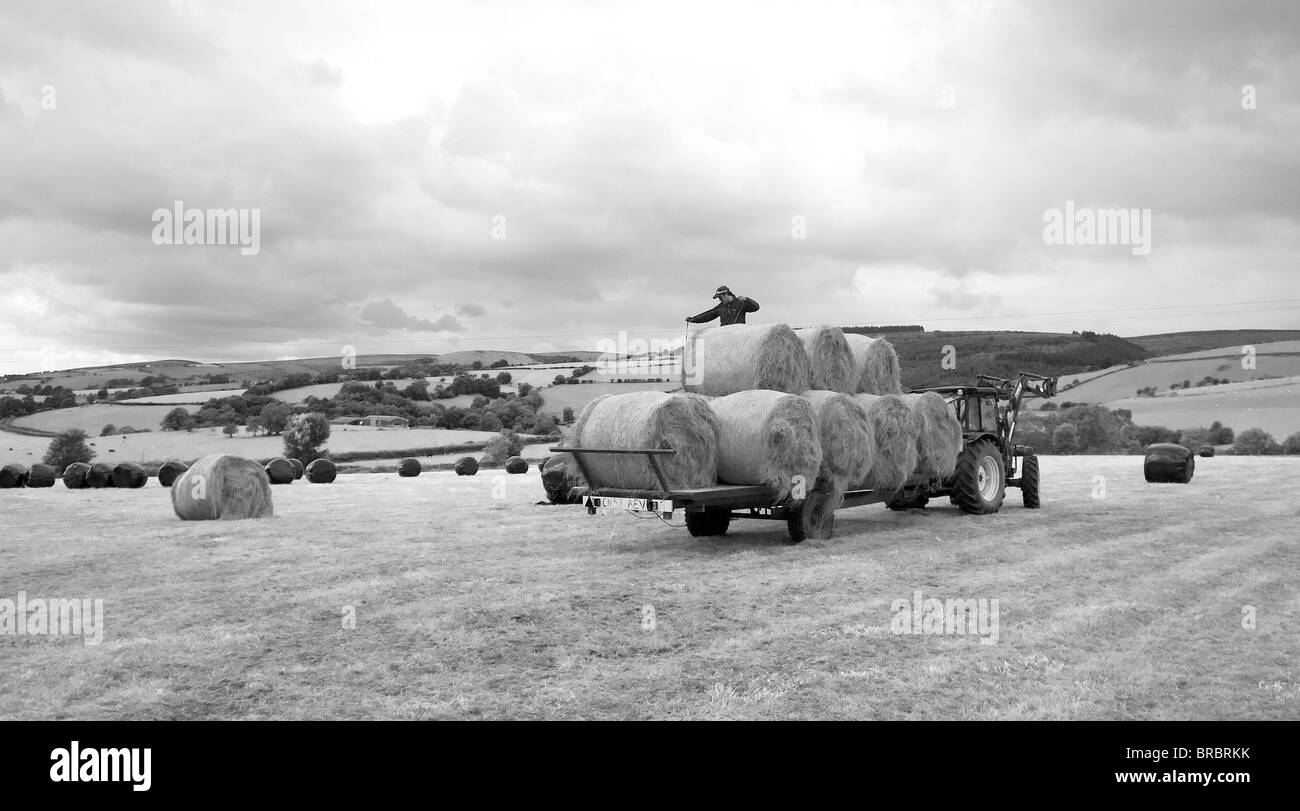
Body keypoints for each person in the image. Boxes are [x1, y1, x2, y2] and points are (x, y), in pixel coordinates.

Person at [686, 285, 759, 326]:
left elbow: (756, 307)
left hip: (740, 336)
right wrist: (692, 319)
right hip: (725, 337)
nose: (719, 300)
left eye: (720, 297)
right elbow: (707, 316)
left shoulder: (741, 303)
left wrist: (747, 299)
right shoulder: (720, 307)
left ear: (726, 294)